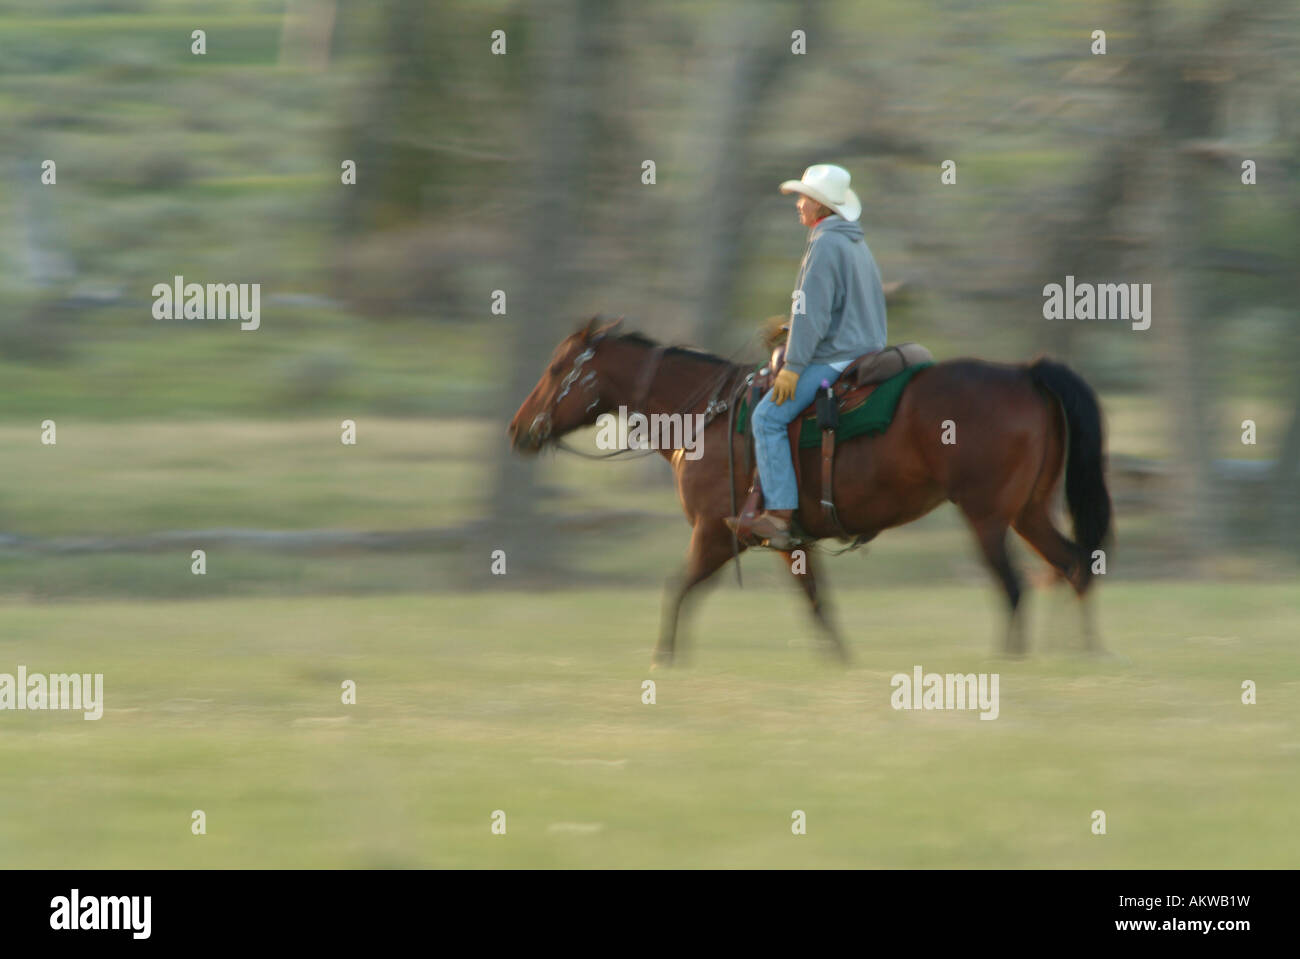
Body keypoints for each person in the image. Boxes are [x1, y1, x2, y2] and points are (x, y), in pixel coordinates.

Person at [726, 164, 888, 549]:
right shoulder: (853, 242)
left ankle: (779, 516)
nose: (799, 205)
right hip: (864, 350)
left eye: (803, 198)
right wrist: (792, 331)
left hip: (835, 358)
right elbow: (834, 309)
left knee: (766, 417)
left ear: (820, 206)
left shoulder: (824, 242)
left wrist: (794, 367)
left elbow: (811, 313)